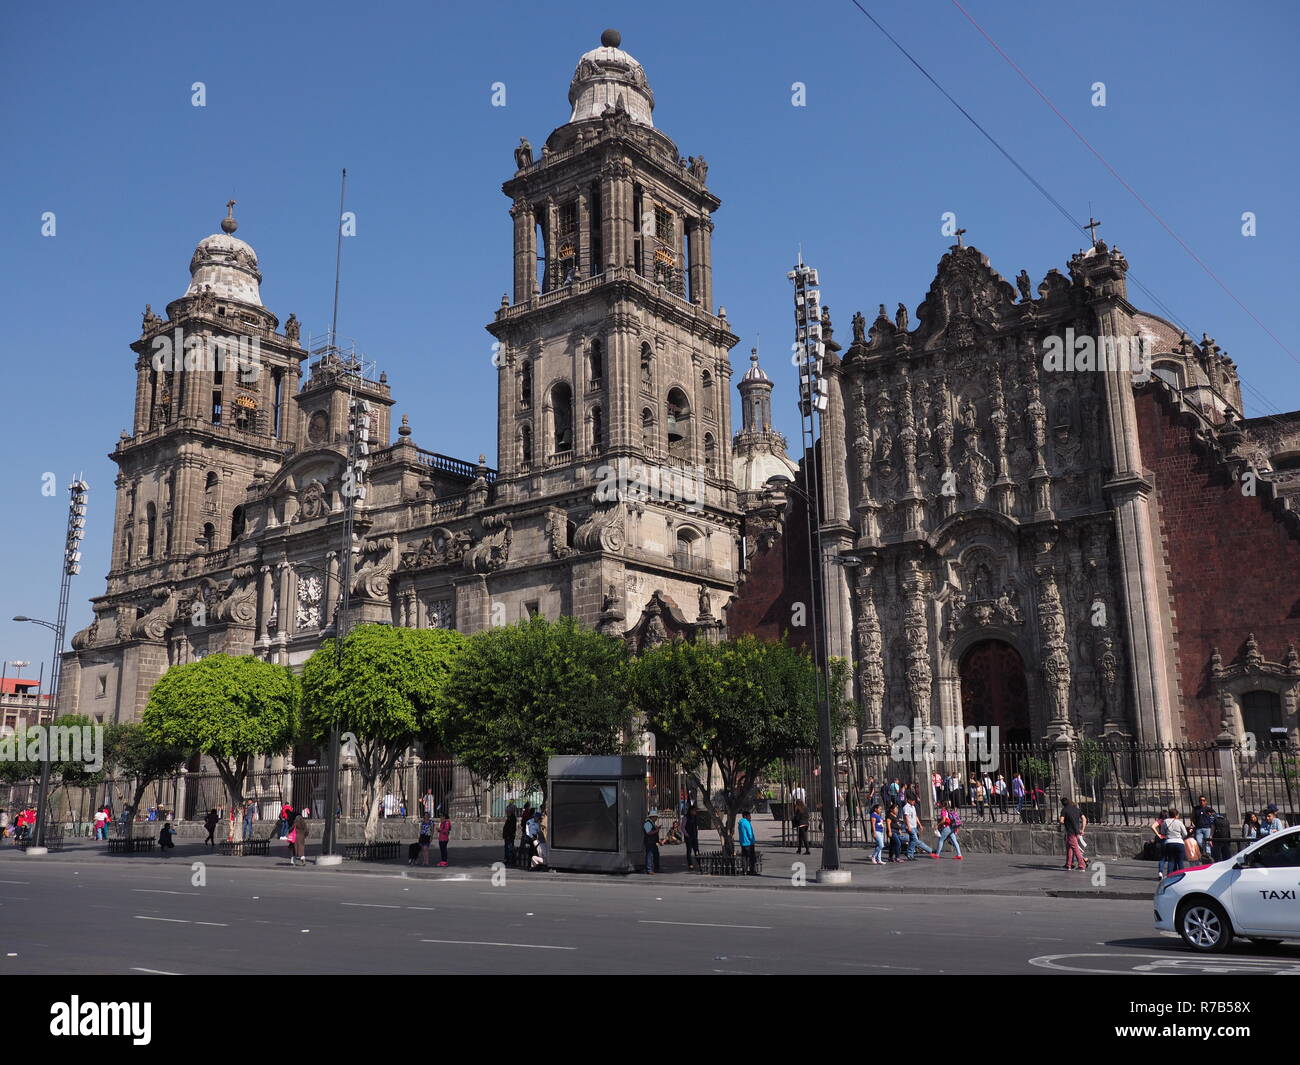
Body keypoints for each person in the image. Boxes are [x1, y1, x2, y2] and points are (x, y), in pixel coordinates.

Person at [1060, 796, 1087, 871]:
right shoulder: (1077, 809)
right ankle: (1069, 864)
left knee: (1075, 849)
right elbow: (1084, 819)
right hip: (1077, 831)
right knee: (1069, 848)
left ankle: (1082, 865)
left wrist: (1064, 822)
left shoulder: (1064, 810)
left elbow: (1061, 820)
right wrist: (1082, 829)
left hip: (1070, 832)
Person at [1158, 806, 1187, 876]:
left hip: (1169, 842)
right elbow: (1185, 833)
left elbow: (1162, 832)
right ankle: (1181, 876)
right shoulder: (1179, 822)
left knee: (1171, 861)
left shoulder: (1165, 822)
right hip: (1179, 843)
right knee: (1180, 861)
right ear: (1176, 815)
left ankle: (1170, 877)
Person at [738, 809, 758, 875]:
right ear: (746, 816)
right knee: (752, 857)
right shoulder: (747, 823)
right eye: (749, 816)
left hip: (743, 843)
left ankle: (745, 870)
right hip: (749, 843)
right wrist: (753, 840)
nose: (750, 817)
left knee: (744, 857)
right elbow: (750, 833)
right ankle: (752, 870)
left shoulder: (740, 823)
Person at [683, 804, 700, 870]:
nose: (695, 812)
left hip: (694, 835)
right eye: (694, 811)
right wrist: (686, 834)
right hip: (688, 836)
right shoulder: (685, 817)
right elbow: (682, 827)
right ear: (690, 811)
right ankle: (690, 864)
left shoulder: (695, 817)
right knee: (689, 850)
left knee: (696, 850)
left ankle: (699, 863)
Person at [502, 802, 517, 866]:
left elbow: (511, 828)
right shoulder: (509, 818)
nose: (506, 812)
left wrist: (508, 835)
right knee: (507, 848)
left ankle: (510, 860)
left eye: (507, 810)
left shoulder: (512, 818)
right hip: (507, 836)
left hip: (509, 836)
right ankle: (507, 859)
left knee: (510, 848)